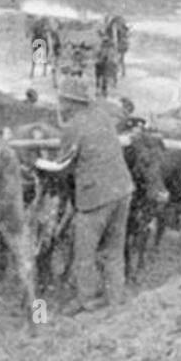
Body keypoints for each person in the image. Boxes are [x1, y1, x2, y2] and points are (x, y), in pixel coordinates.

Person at [56, 82, 135, 315]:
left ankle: (88, 300)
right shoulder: (102, 117)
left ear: (71, 103)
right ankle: (116, 296)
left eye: (62, 101)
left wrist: (39, 166)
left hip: (95, 196)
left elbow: (63, 165)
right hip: (122, 190)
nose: (60, 105)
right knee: (114, 247)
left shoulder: (73, 126)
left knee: (84, 251)